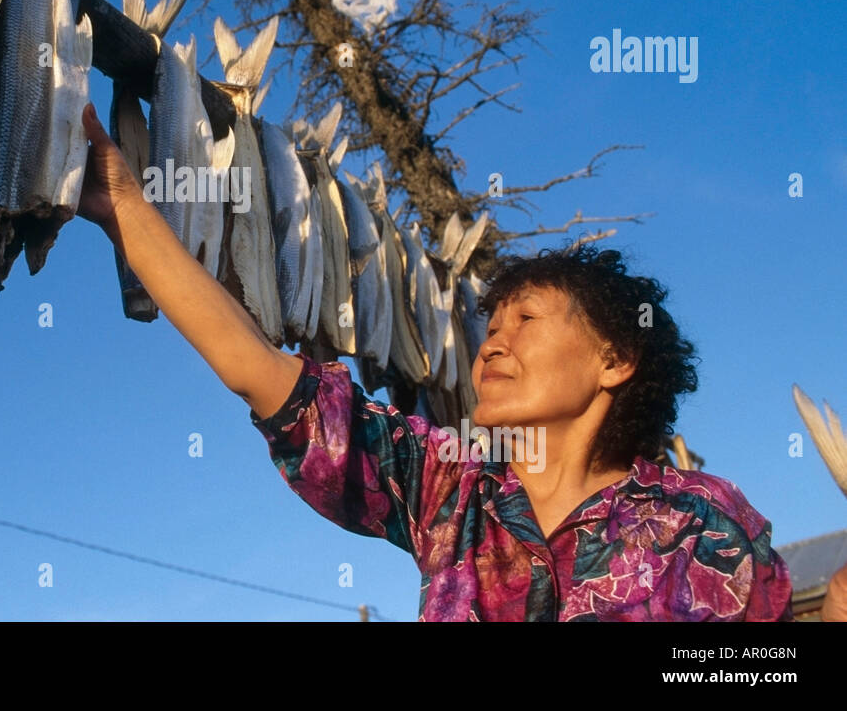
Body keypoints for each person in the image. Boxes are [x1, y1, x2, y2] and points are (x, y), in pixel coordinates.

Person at [75, 102, 847, 621]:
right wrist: (128, 209)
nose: (495, 343)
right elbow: (254, 367)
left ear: (614, 361)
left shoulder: (706, 521)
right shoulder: (448, 485)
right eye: (493, 323)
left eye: (527, 319)